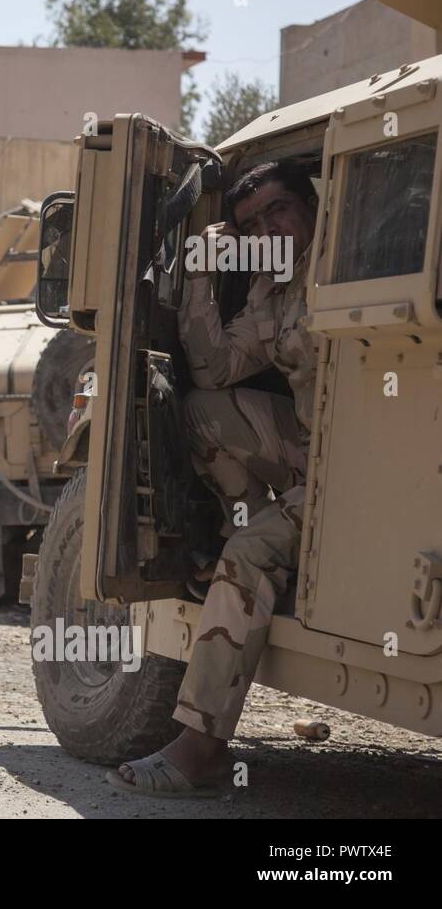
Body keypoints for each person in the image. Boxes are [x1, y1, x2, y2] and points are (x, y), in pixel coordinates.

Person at [112, 161, 321, 797]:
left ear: (312, 208)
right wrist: (202, 268)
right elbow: (214, 367)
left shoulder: (341, 265)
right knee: (199, 414)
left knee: (250, 549)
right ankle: (264, 532)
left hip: (362, 467)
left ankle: (202, 748)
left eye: (278, 211)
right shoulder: (274, 285)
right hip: (313, 447)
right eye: (251, 222)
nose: (266, 227)